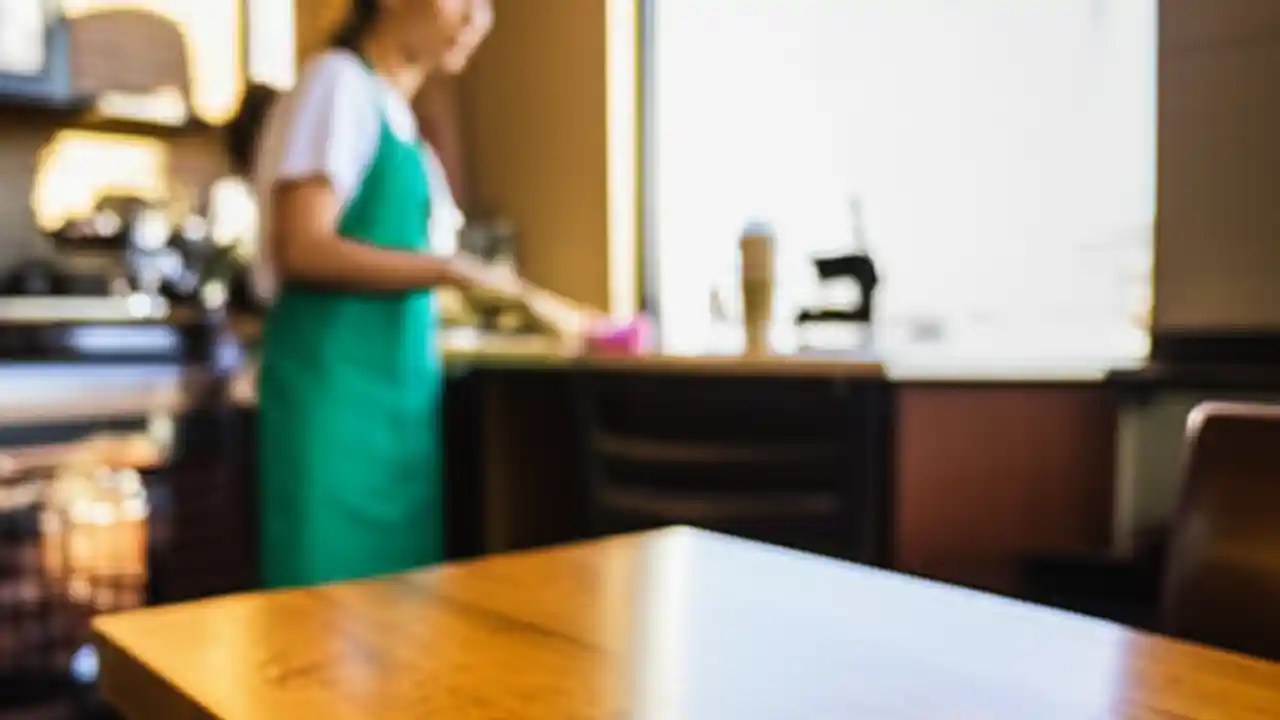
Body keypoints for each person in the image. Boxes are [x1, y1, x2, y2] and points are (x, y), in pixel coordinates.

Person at [252, 0, 507, 588]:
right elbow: (303, 245)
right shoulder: (338, 84)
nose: (477, 17)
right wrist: (449, 271)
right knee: (325, 622)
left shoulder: (402, 122)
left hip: (398, 414)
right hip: (337, 412)